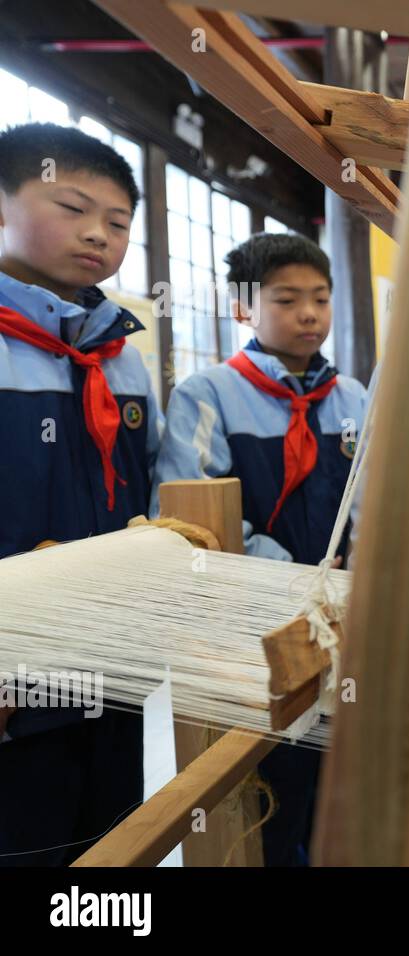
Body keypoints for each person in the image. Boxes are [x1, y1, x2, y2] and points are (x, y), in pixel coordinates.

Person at [154, 231, 367, 865]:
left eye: (321, 298)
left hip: (341, 626)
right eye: (287, 299)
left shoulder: (353, 399)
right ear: (243, 307)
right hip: (249, 631)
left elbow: (375, 499)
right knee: (266, 791)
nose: (309, 314)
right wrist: (294, 574)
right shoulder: (209, 394)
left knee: (339, 788)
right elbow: (187, 518)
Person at [0, 122, 161, 865]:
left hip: (111, 666)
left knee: (111, 848)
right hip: (11, 676)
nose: (98, 233)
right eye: (71, 207)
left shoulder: (122, 361)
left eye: (119, 221)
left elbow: (159, 498)